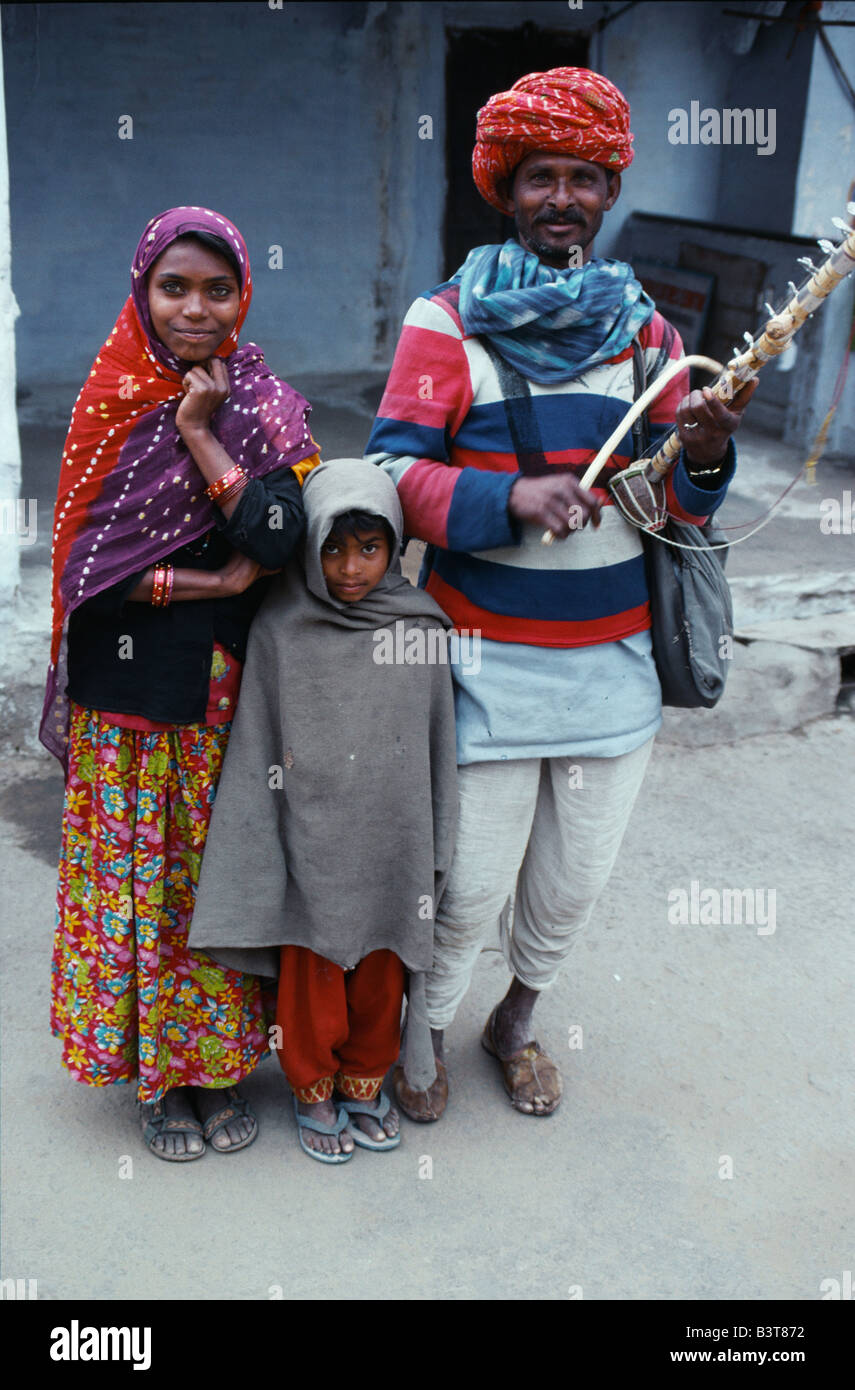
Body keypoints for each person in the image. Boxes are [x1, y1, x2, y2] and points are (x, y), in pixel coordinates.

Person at [366, 68, 757, 1122]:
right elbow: (387, 481)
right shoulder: (445, 323)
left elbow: (684, 503)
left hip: (614, 668)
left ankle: (516, 1022)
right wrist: (505, 499)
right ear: (505, 186)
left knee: (569, 885)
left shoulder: (648, 335)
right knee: (467, 891)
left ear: (608, 191)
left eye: (585, 178)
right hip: (482, 667)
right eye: (541, 176)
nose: (563, 198)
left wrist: (710, 449)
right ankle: (424, 1034)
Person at [43, 206, 321, 1160]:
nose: (195, 309)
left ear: (244, 294)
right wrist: (208, 578)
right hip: (123, 705)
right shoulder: (109, 399)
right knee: (134, 894)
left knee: (219, 891)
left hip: (227, 707)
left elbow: (283, 536)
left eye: (217, 288)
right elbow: (87, 580)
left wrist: (203, 435)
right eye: (174, 287)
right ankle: (156, 1084)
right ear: (142, 292)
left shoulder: (260, 402)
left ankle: (218, 1070)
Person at [187, 458, 458, 1163]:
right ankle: (312, 1090)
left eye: (369, 548)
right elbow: (258, 750)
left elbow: (431, 749)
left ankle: (364, 1086)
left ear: (395, 547)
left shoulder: (420, 628)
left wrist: (426, 841)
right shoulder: (281, 627)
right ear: (307, 548)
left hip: (389, 840)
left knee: (381, 970)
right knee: (312, 979)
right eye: (332, 547)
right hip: (308, 840)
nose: (348, 567)